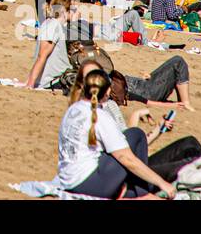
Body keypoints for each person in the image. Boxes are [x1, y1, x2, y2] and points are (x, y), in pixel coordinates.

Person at [56, 69, 176, 199]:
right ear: (107, 91)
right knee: (136, 134)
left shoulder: (73, 109)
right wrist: (162, 183)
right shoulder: (100, 116)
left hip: (66, 180)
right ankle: (144, 192)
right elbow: (126, 158)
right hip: (89, 185)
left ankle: (136, 191)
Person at [26, 0, 75, 90]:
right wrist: (30, 83)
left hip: (55, 78)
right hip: (55, 80)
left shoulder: (51, 23)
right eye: (72, 9)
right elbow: (42, 55)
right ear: (64, 11)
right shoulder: (53, 26)